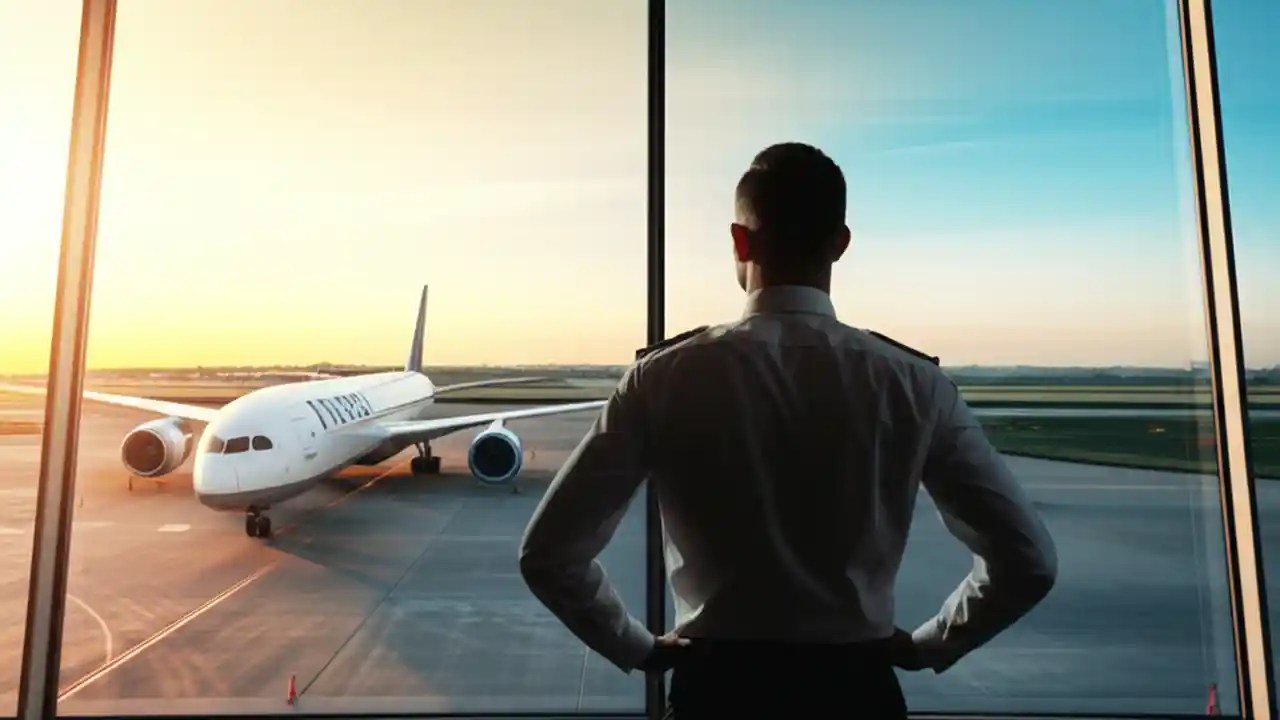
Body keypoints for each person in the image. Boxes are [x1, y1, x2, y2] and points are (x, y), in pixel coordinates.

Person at [519, 142, 1058, 718]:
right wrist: (929, 645)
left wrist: (638, 647)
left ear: (740, 241)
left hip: (716, 693)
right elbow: (1027, 561)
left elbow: (549, 554)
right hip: (857, 692)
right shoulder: (913, 382)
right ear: (840, 243)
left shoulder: (662, 377)